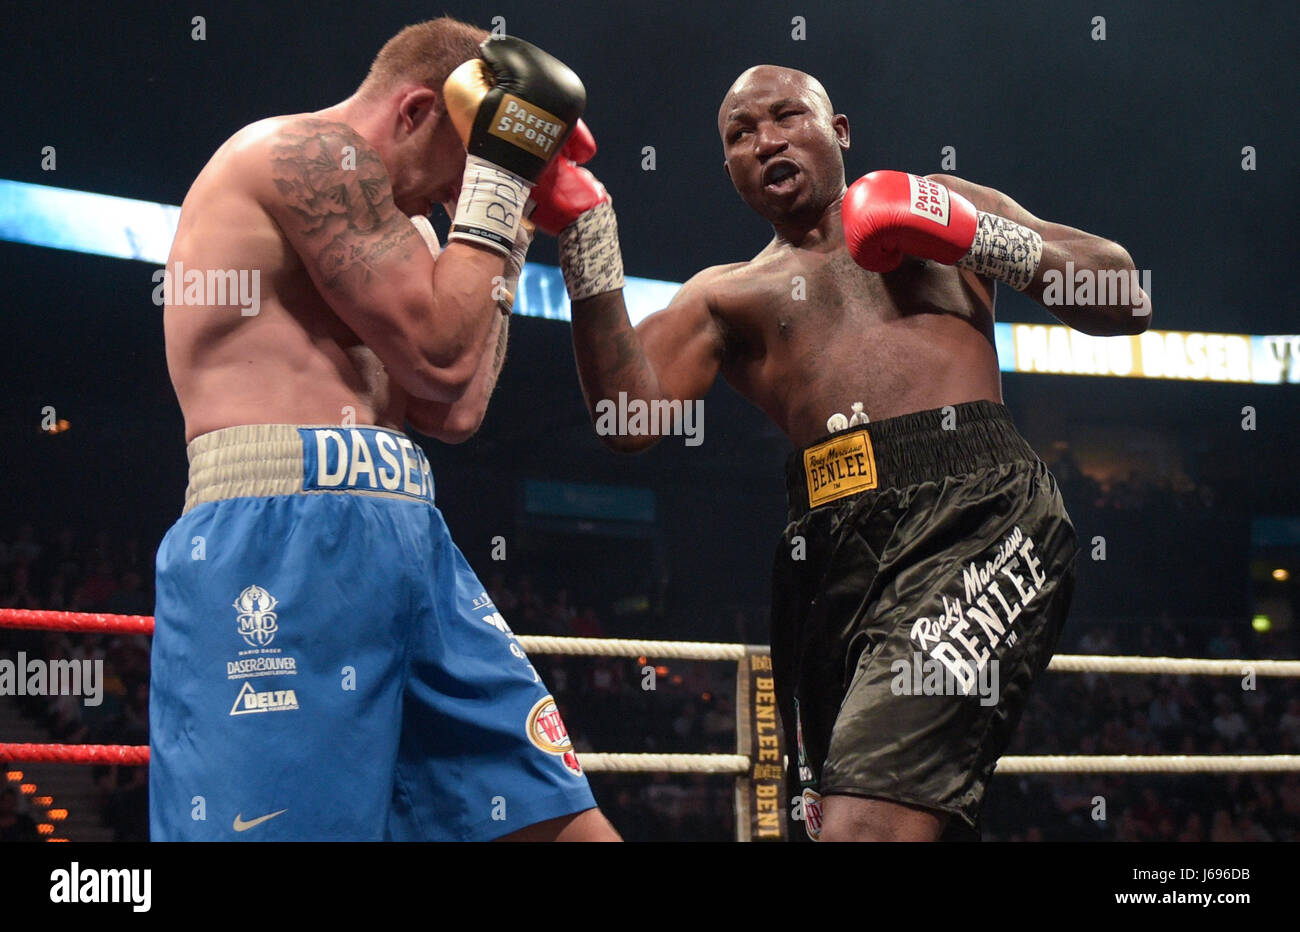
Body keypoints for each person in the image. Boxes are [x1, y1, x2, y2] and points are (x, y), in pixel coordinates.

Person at [548, 65, 1150, 840]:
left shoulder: (942, 201)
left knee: (865, 824)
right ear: (727, 165)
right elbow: (628, 417)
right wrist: (586, 241)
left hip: (978, 512)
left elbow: (1125, 298)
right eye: (740, 134)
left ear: (839, 131)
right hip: (827, 552)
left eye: (785, 117)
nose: (765, 140)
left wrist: (972, 233)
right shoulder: (725, 295)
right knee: (843, 820)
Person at [153, 17, 618, 841]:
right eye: (461, 174)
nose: (452, 202)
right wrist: (501, 177)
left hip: (411, 540)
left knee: (552, 822)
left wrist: (507, 228)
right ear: (415, 113)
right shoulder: (297, 156)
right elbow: (441, 358)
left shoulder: (403, 229)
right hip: (278, 536)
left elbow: (455, 405)